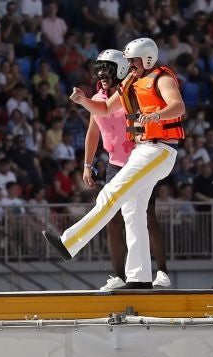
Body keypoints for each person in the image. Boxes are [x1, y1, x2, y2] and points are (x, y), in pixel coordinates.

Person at [45, 38, 182, 289]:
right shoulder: (130, 83)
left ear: (148, 59)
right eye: (128, 61)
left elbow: (177, 106)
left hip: (159, 148)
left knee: (111, 194)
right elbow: (105, 109)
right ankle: (138, 277)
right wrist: (83, 100)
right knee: (133, 214)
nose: (129, 65)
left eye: (133, 61)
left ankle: (69, 242)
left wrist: (155, 115)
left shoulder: (162, 78)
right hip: (144, 149)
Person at [81, 49, 171, 292]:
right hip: (114, 162)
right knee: (114, 219)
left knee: (146, 214)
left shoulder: (132, 91)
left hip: (138, 158)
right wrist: (88, 165)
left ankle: (161, 271)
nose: (101, 73)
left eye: (107, 68)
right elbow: (93, 131)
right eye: (99, 68)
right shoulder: (98, 96)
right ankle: (120, 276)